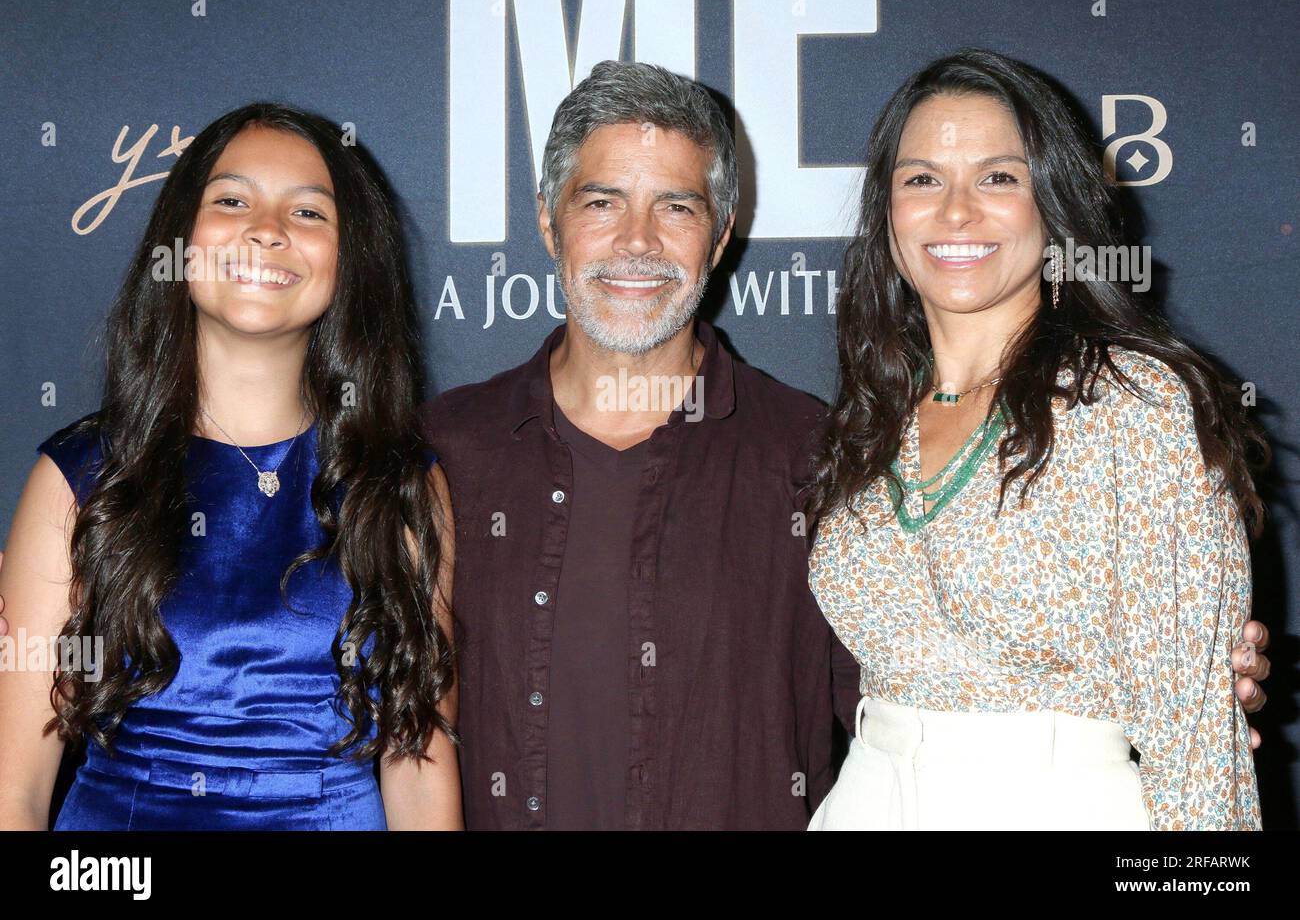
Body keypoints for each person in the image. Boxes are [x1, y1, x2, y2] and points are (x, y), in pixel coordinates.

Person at [420, 59, 1272, 829]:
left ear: (721, 233)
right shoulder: (868, 436)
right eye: (602, 202)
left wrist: (1200, 673)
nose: (638, 241)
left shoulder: (815, 445)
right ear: (548, 221)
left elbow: (1193, 736)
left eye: (676, 206)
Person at [806, 49, 1269, 830]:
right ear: (887, 212)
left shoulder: (1134, 405)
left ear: (1052, 205)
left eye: (997, 178)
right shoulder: (875, 416)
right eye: (921, 180)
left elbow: (1195, 743)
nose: (956, 212)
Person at [0, 103, 461, 830]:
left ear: (349, 260)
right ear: (180, 239)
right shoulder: (80, 480)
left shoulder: (400, 486)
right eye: (232, 201)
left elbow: (420, 772)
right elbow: (14, 794)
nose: (268, 230)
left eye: (308, 212)